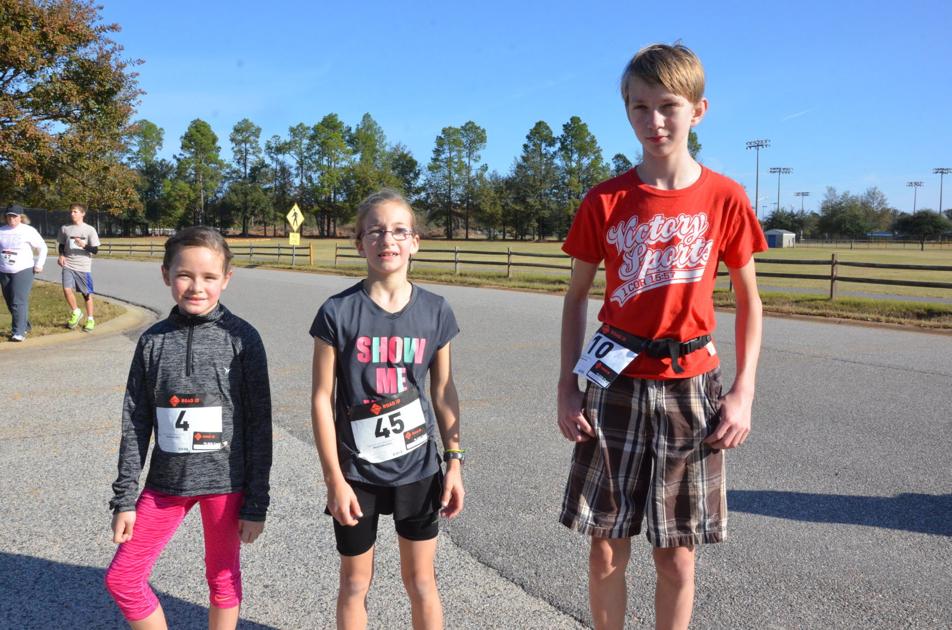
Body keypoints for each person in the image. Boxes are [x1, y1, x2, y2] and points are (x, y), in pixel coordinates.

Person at [556, 43, 767, 630]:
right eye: (640, 107)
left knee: (675, 555)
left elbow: (749, 301)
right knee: (604, 546)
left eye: (668, 106)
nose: (654, 121)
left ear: (698, 110)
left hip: (690, 387)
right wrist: (568, 386)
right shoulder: (606, 200)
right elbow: (576, 299)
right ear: (626, 110)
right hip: (614, 381)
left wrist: (744, 391)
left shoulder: (724, 197)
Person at [310, 189, 464, 630]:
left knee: (421, 581)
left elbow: (444, 390)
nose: (387, 240)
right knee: (355, 583)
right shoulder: (337, 312)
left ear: (415, 241)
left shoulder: (435, 311)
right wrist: (334, 479)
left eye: (399, 230)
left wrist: (454, 464)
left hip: (418, 470)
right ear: (359, 244)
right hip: (357, 475)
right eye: (374, 231)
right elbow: (322, 396)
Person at [105, 226, 273, 630]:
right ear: (166, 275)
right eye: (185, 275)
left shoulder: (243, 340)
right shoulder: (152, 342)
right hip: (166, 485)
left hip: (226, 484)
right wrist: (125, 498)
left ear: (226, 279)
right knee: (123, 578)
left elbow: (258, 426)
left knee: (222, 578)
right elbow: (135, 420)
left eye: (209, 277)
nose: (196, 286)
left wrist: (256, 502)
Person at [0, 208, 48, 342]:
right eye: (9, 216)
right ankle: (25, 325)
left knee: (18, 301)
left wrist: (39, 264)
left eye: (15, 217)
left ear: (21, 217)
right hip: (4, 270)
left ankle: (18, 332)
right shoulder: (2, 230)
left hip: (23, 269)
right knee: (10, 301)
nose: (12, 219)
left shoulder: (28, 230)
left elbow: (42, 247)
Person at [56, 203, 101, 331]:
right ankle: (76, 311)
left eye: (75, 212)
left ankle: (90, 319)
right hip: (68, 264)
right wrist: (61, 255)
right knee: (66, 289)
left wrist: (83, 245)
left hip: (83, 266)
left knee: (86, 294)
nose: (72, 214)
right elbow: (61, 244)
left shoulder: (89, 230)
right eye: (71, 212)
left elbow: (95, 250)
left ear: (82, 213)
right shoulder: (65, 228)